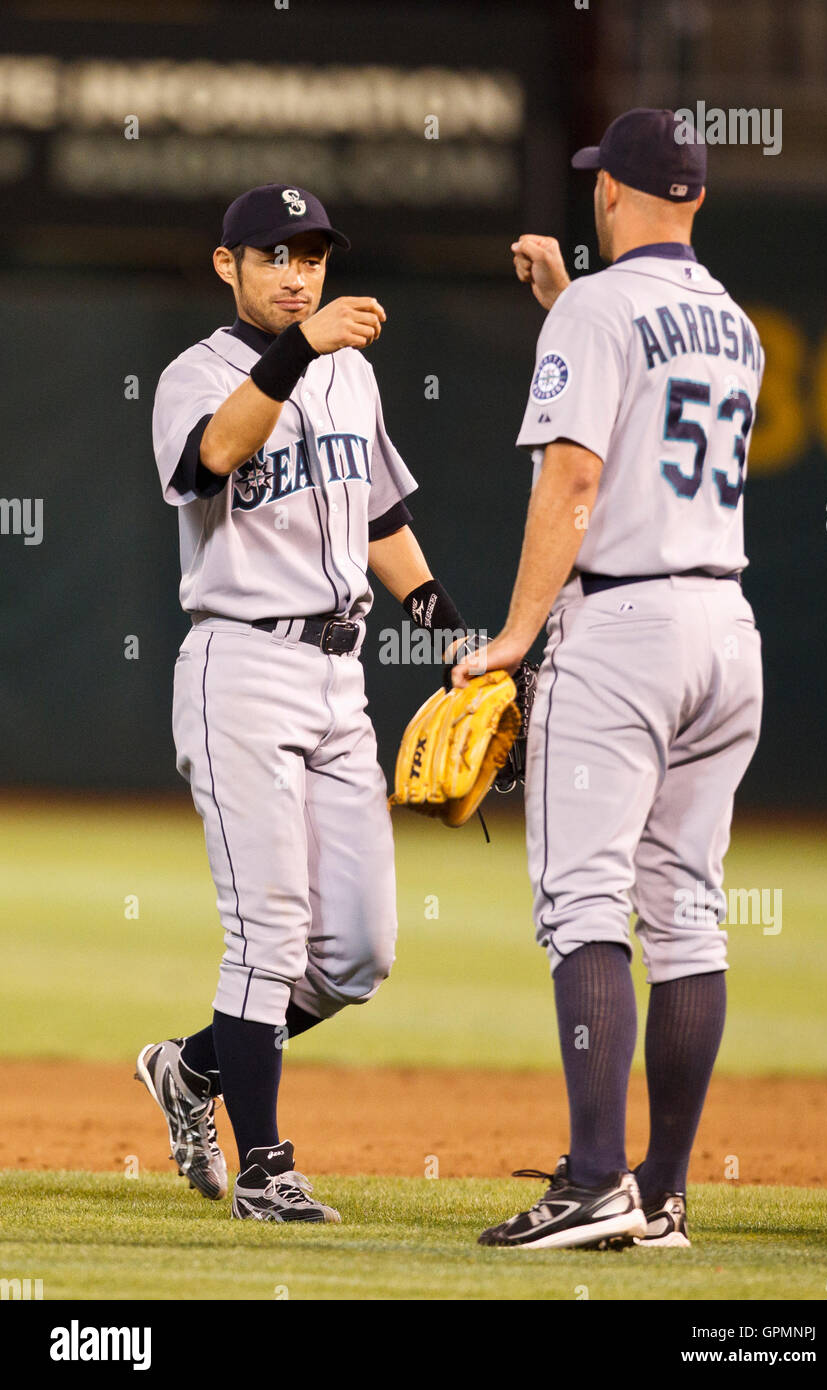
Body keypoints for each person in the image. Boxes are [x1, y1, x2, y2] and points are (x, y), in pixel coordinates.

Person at [453, 110, 764, 1250]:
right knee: (684, 913)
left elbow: (578, 472)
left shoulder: (595, 308)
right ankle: (661, 1192)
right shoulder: (732, 323)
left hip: (622, 625)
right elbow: (645, 416)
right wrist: (562, 309)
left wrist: (512, 633)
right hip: (725, 629)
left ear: (611, 194)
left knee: (581, 902)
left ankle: (591, 1179)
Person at [140, 183, 470, 1223]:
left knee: (358, 952)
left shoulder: (351, 377)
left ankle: (191, 1069)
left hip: (340, 675)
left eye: (313, 254)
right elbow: (216, 457)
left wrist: (445, 626)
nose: (296, 272)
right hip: (239, 666)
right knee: (268, 934)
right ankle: (266, 1168)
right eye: (273, 254)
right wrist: (302, 348)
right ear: (224, 266)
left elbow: (379, 516)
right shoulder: (192, 375)